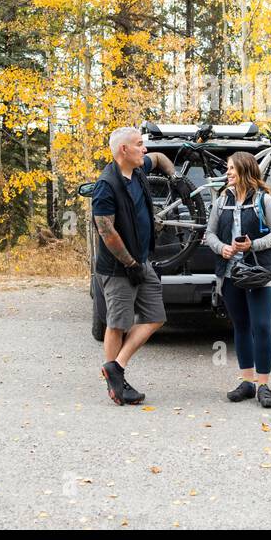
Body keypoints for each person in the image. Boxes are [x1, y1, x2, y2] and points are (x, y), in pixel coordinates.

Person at [91, 126, 175, 405]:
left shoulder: (138, 169)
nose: (145, 149)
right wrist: (130, 264)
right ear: (123, 150)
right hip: (118, 268)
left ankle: (116, 366)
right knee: (118, 324)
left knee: (155, 316)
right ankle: (115, 384)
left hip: (142, 260)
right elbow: (106, 231)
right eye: (139, 144)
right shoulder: (106, 185)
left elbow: (161, 158)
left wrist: (178, 181)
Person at [203, 151, 271, 408]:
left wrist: (252, 246)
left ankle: (263, 385)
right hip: (230, 274)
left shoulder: (264, 200)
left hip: (259, 273)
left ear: (245, 170)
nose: (227, 173)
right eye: (227, 169)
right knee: (240, 327)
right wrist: (222, 249)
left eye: (231, 169)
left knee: (261, 326)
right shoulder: (221, 201)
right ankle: (247, 382)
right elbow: (209, 234)